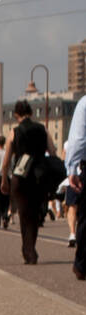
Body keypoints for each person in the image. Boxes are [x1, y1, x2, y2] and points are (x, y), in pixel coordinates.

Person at [1, 100, 56, 265]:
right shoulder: (42, 129)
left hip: (21, 175)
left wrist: (5, 179)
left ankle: (28, 250)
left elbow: (6, 160)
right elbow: (52, 151)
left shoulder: (14, 132)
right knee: (35, 214)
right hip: (39, 175)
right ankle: (30, 248)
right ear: (31, 113)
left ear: (16, 115)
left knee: (24, 214)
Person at [64, 92, 86, 280]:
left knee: (85, 217)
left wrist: (72, 168)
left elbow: (78, 139)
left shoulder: (84, 104)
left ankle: (81, 264)